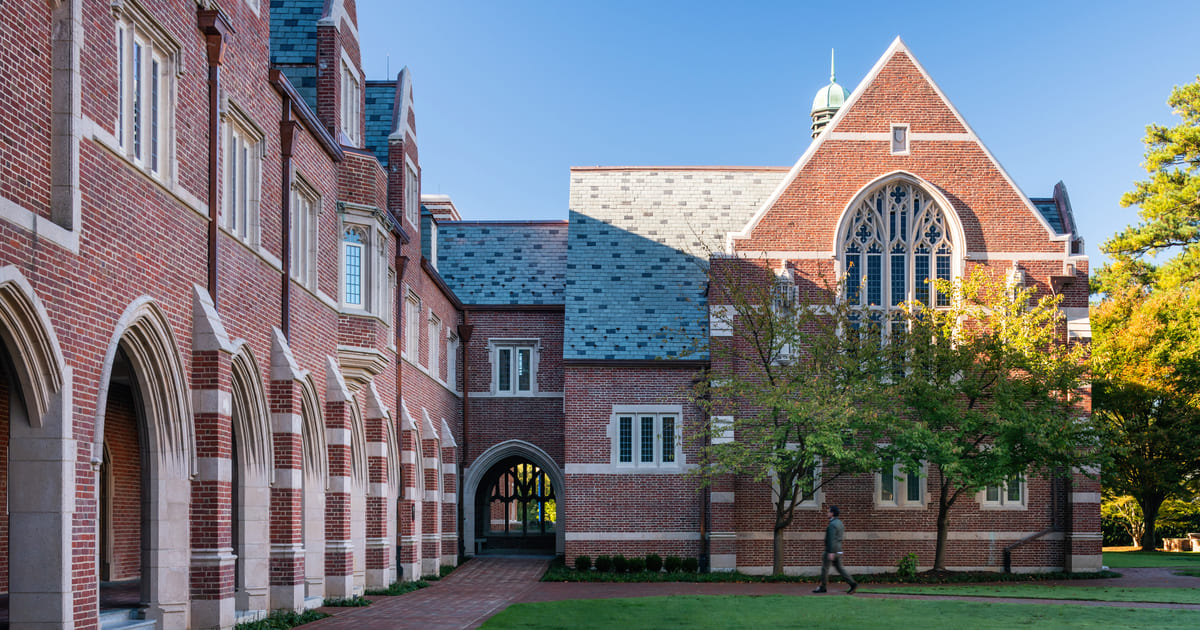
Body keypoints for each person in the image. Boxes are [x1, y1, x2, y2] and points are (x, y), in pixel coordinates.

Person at [813, 505, 857, 593]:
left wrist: (830, 552)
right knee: (840, 568)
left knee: (825, 568)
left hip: (831, 550)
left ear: (832, 513)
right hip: (839, 549)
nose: (827, 513)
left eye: (828, 511)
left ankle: (823, 587)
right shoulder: (840, 523)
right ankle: (852, 583)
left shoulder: (832, 525)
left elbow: (831, 539)